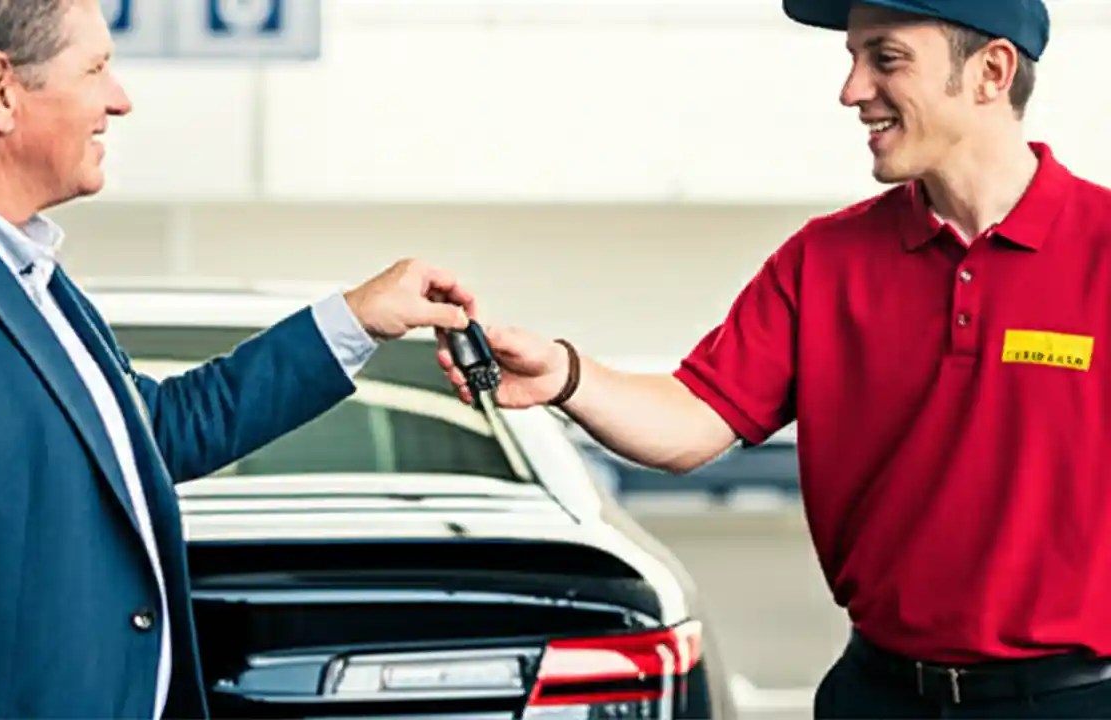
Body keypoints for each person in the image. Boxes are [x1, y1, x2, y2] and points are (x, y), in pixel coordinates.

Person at [441, 0, 1111, 716]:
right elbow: (693, 420)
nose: (851, 90)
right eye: (852, 58)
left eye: (885, 58)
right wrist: (567, 375)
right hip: (877, 698)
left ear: (991, 72)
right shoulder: (823, 262)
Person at [0, 0, 478, 717]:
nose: (120, 99)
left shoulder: (15, 264)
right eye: (96, 68)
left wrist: (356, 320)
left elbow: (151, 431)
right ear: (0, 92)